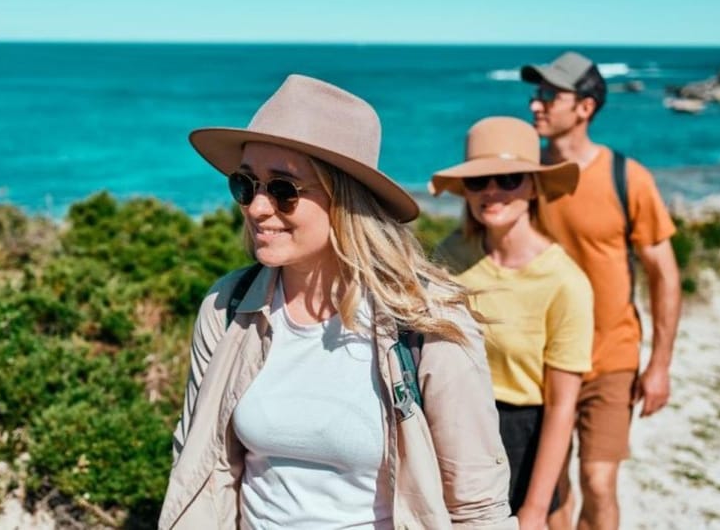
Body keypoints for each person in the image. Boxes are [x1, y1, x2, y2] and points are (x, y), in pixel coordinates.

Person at [158, 74, 515, 529]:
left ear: (345, 199)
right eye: (246, 184)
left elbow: (477, 507)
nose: (257, 208)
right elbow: (197, 460)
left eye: (283, 189)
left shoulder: (430, 324)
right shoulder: (228, 306)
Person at [520, 52, 682, 530]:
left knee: (597, 481)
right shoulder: (524, 177)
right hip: (542, 359)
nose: (537, 105)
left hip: (611, 356)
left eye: (551, 95)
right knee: (549, 491)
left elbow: (664, 274)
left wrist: (660, 364)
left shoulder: (626, 177)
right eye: (536, 93)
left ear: (585, 108)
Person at [428, 116, 594, 530]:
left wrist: (536, 509)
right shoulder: (449, 257)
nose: (491, 192)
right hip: (451, 424)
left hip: (524, 434)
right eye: (478, 182)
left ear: (534, 186)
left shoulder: (565, 283)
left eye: (508, 178)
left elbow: (561, 407)